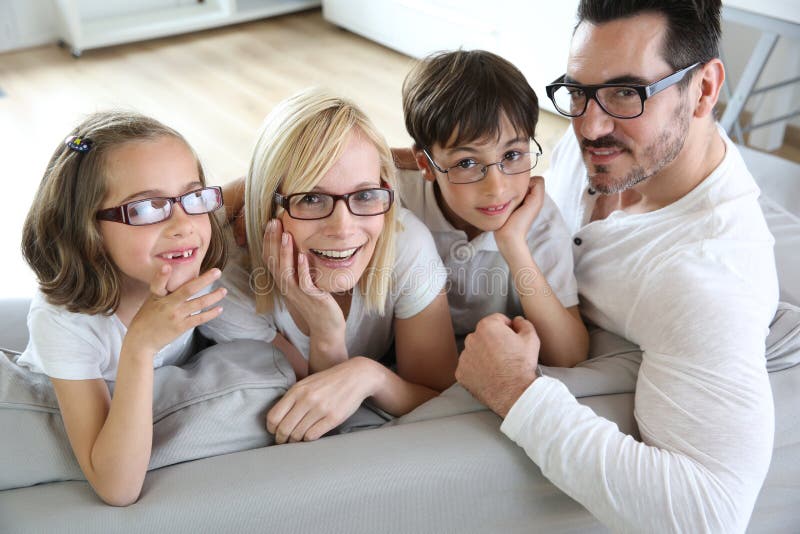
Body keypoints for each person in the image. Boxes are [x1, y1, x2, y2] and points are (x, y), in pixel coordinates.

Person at [455, 1, 779, 532]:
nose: (590, 125)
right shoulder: (613, 146)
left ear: (703, 89)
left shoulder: (708, 277)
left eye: (627, 93)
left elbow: (709, 514)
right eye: (578, 92)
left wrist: (517, 392)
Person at [201, 87, 458, 445]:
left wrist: (372, 376)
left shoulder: (405, 244)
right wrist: (325, 331)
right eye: (311, 198)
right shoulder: (230, 284)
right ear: (266, 204)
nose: (342, 228)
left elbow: (443, 400)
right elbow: (319, 418)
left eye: (365, 195)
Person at [17, 111, 229, 506]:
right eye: (148, 208)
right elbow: (117, 488)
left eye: (193, 197)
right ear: (85, 227)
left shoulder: (191, 265)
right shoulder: (64, 322)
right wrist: (140, 347)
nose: (183, 224)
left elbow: (251, 193)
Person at [398, 49, 588, 365]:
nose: (497, 188)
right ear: (426, 165)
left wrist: (513, 244)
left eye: (513, 155)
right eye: (467, 162)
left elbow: (569, 354)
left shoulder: (539, 222)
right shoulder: (398, 197)